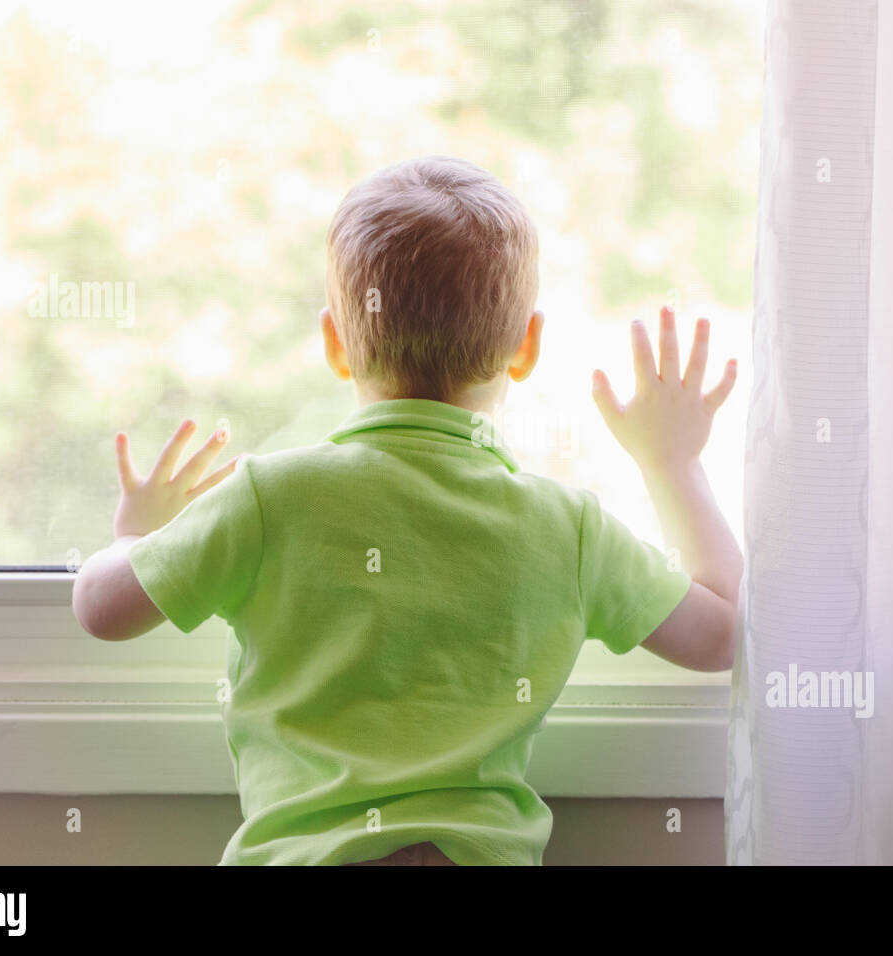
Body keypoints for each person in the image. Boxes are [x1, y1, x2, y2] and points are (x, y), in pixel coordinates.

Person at [71, 156, 742, 866]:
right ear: (527, 347)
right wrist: (671, 463)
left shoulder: (269, 498)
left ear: (335, 342)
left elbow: (99, 608)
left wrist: (140, 534)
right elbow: (724, 634)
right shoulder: (569, 528)